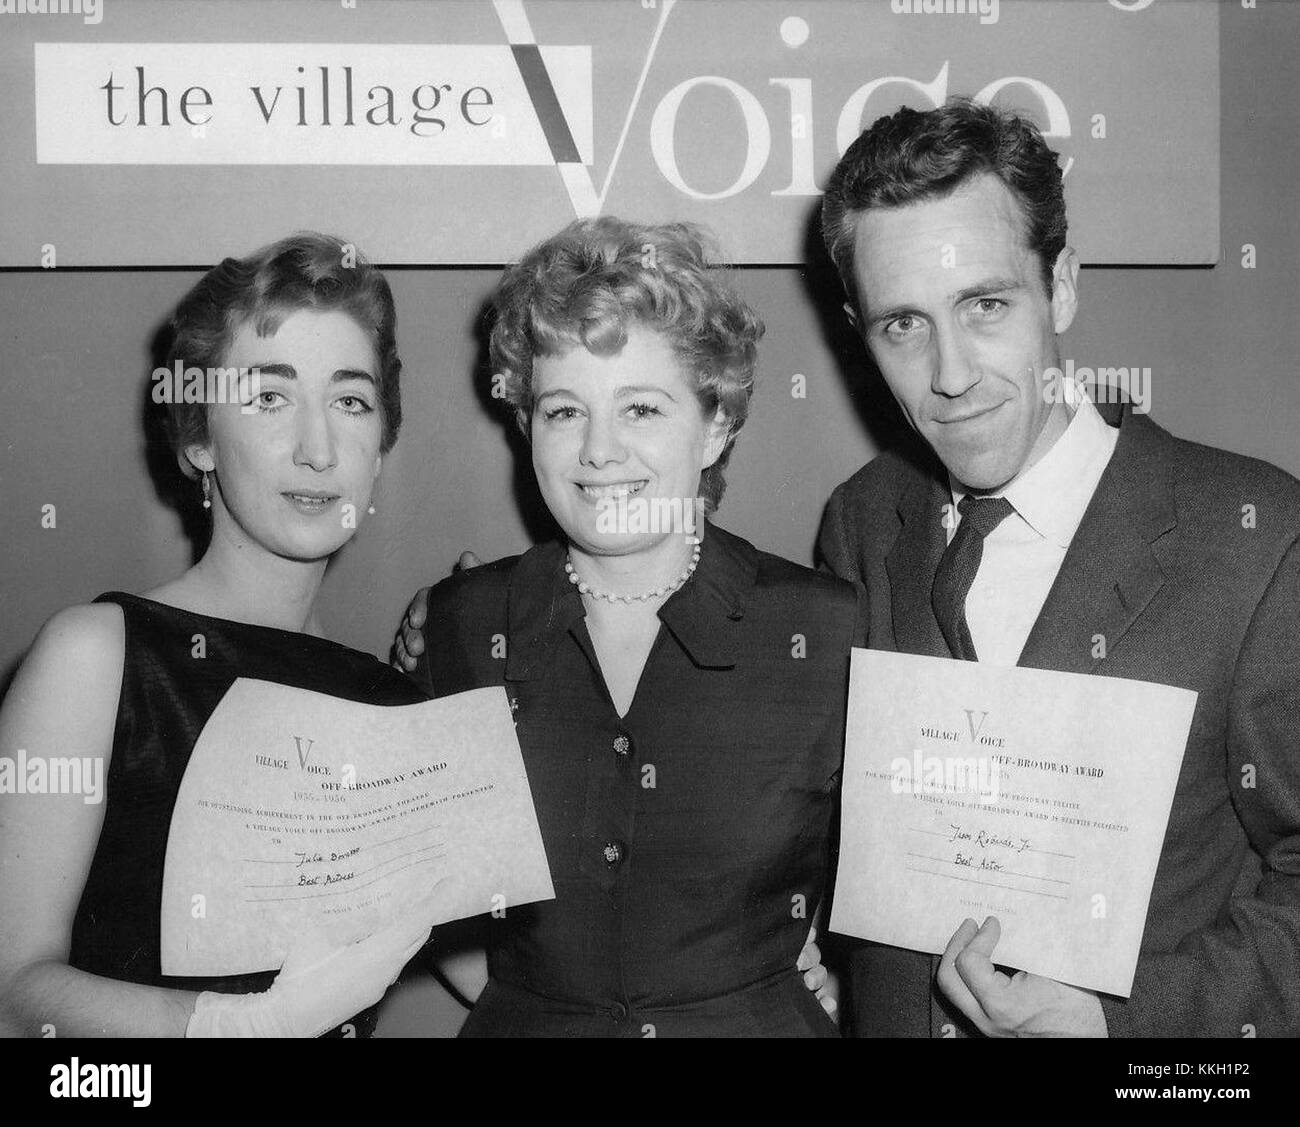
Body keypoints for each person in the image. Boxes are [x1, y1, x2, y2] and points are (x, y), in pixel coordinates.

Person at [817, 98, 1300, 1037]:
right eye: (902, 325)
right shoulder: (864, 520)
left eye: (986, 306)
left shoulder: (1256, 539)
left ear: (1064, 288)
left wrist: (1120, 1024)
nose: (951, 374)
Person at [395, 216, 854, 1036]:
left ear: (715, 425)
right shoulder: (465, 623)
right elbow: (434, 904)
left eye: (641, 408)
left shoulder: (826, 630)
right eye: (565, 411)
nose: (600, 451)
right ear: (526, 424)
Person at [0, 233, 443, 1037]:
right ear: (199, 438)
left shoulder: (395, 705)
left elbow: (505, 972)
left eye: (350, 400)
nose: (317, 449)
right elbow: (8, 995)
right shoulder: (96, 657)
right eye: (269, 398)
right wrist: (238, 1028)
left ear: (381, 443)